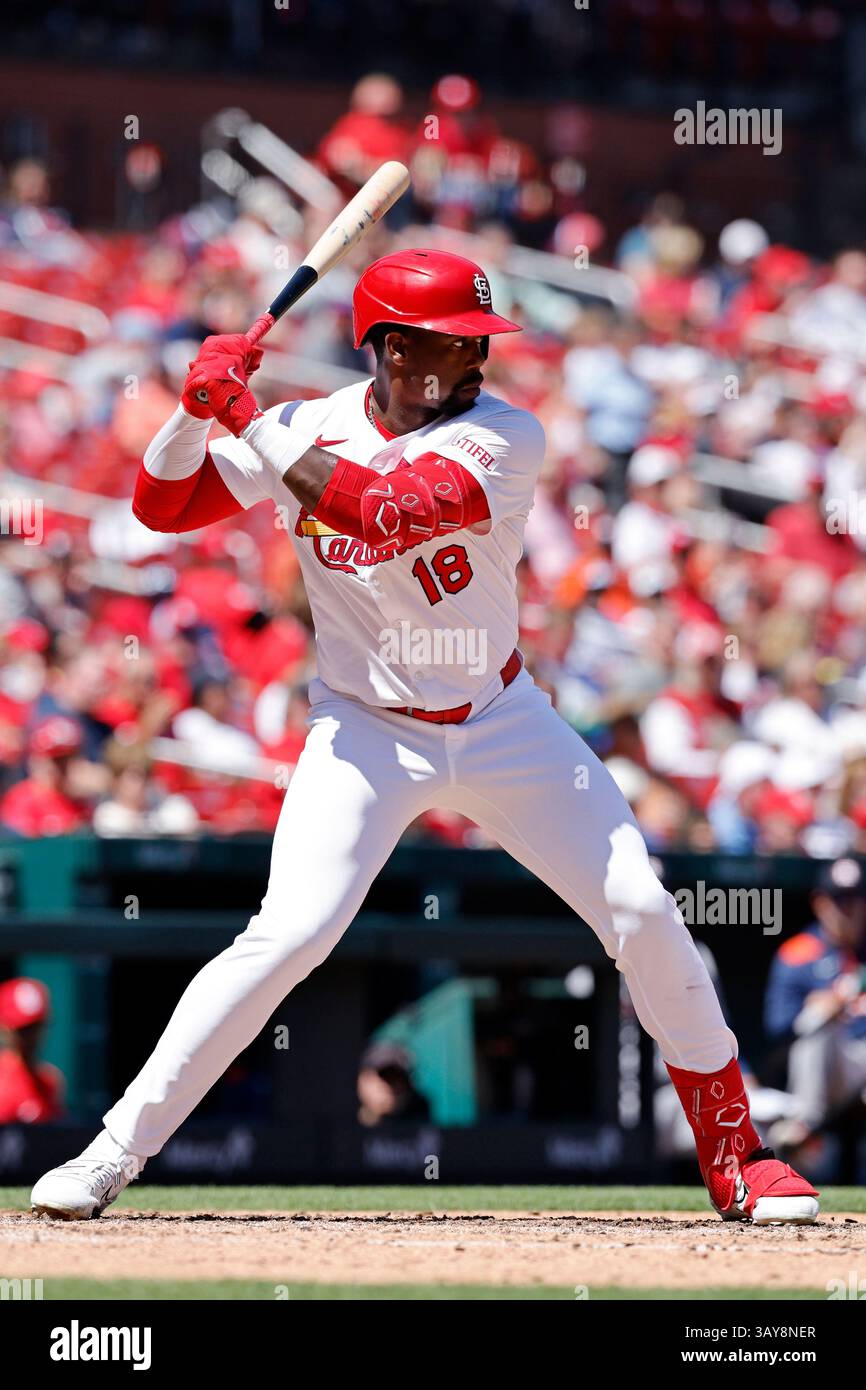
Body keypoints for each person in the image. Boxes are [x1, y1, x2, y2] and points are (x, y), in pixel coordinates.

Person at [31, 248, 817, 1225]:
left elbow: (379, 510)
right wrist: (194, 410)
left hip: (501, 721)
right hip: (362, 728)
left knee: (642, 909)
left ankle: (736, 1153)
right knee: (288, 935)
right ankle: (113, 1152)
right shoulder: (301, 427)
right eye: (453, 343)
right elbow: (161, 505)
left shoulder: (501, 434)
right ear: (391, 349)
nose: (474, 360)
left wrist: (236, 414)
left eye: (476, 343)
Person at [764, 857, 866, 1146]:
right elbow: (777, 1028)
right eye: (839, 900)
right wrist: (824, 1007)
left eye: (855, 899)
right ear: (821, 903)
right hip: (823, 1065)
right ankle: (802, 1125)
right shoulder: (798, 953)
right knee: (819, 1021)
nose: (849, 909)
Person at [0, 978, 65, 1124]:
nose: (32, 1037)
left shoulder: (50, 1081)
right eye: (23, 1030)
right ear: (4, 1028)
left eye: (37, 1027)